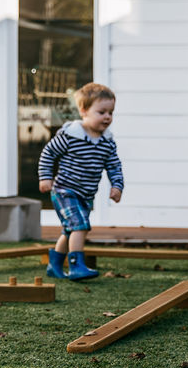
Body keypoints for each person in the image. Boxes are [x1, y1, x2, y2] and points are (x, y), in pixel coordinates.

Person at [39, 83, 124, 280]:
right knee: (80, 226)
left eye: (111, 112)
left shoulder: (107, 142)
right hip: (64, 191)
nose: (107, 117)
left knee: (70, 230)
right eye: (101, 112)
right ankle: (76, 266)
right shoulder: (70, 136)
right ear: (84, 110)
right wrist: (45, 177)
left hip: (86, 194)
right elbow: (48, 154)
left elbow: (114, 166)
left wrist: (117, 186)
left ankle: (55, 264)